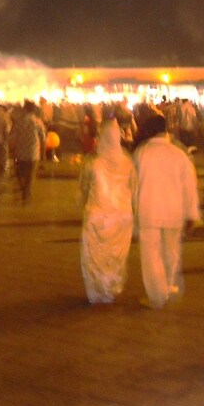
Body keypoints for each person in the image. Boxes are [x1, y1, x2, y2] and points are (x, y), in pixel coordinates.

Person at [132, 113, 200, 309]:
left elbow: (133, 186)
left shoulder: (141, 153)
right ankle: (169, 287)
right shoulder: (179, 155)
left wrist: (132, 210)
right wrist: (191, 214)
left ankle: (157, 295)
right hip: (174, 212)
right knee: (171, 253)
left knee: (151, 255)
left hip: (148, 211)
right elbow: (189, 187)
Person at [78, 120, 136, 304]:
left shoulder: (92, 163)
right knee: (115, 257)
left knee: (95, 257)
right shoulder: (128, 163)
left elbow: (83, 190)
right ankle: (111, 287)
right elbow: (134, 189)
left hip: (98, 216)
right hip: (122, 217)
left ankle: (97, 291)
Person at [12, 100, 46, 204]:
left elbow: (13, 137)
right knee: (30, 177)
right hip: (33, 153)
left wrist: (13, 150)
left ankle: (24, 191)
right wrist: (43, 155)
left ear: (25, 109)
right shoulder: (38, 122)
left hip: (20, 153)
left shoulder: (19, 122)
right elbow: (43, 139)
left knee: (20, 175)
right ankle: (26, 196)